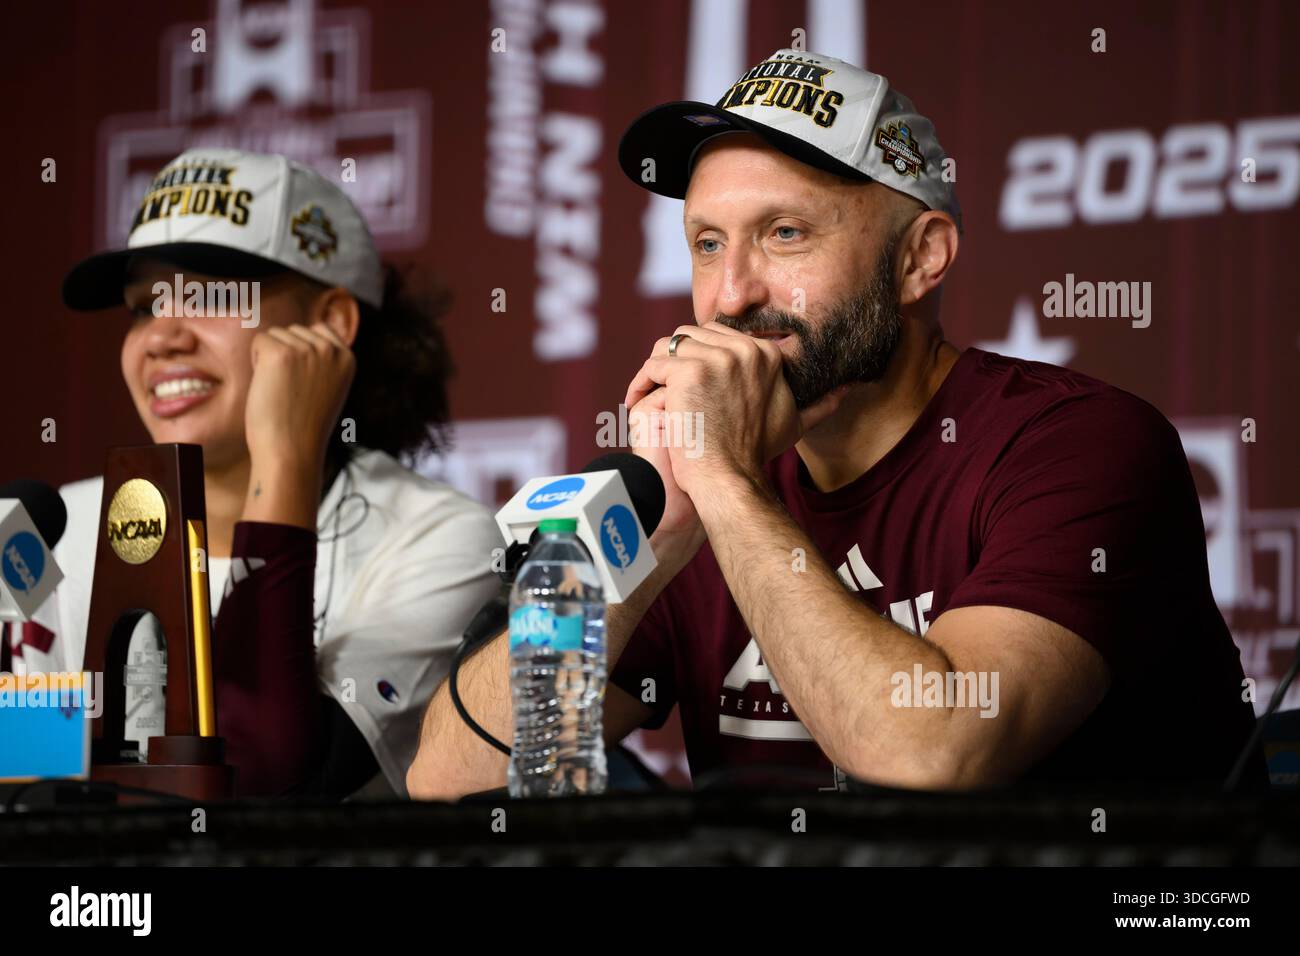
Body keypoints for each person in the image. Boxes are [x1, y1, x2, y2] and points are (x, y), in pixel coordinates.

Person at [408, 48, 1262, 797]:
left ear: (920, 257)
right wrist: (646, 548)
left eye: (784, 233)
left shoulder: (1080, 445)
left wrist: (726, 484)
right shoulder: (690, 490)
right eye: (707, 243)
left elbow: (934, 759)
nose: (731, 293)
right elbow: (453, 779)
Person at [21, 147, 501, 798]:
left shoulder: (440, 539)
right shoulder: (45, 532)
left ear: (330, 326)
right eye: (142, 307)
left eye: (211, 297)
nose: (161, 338)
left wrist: (285, 458)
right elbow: (23, 788)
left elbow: (259, 781)